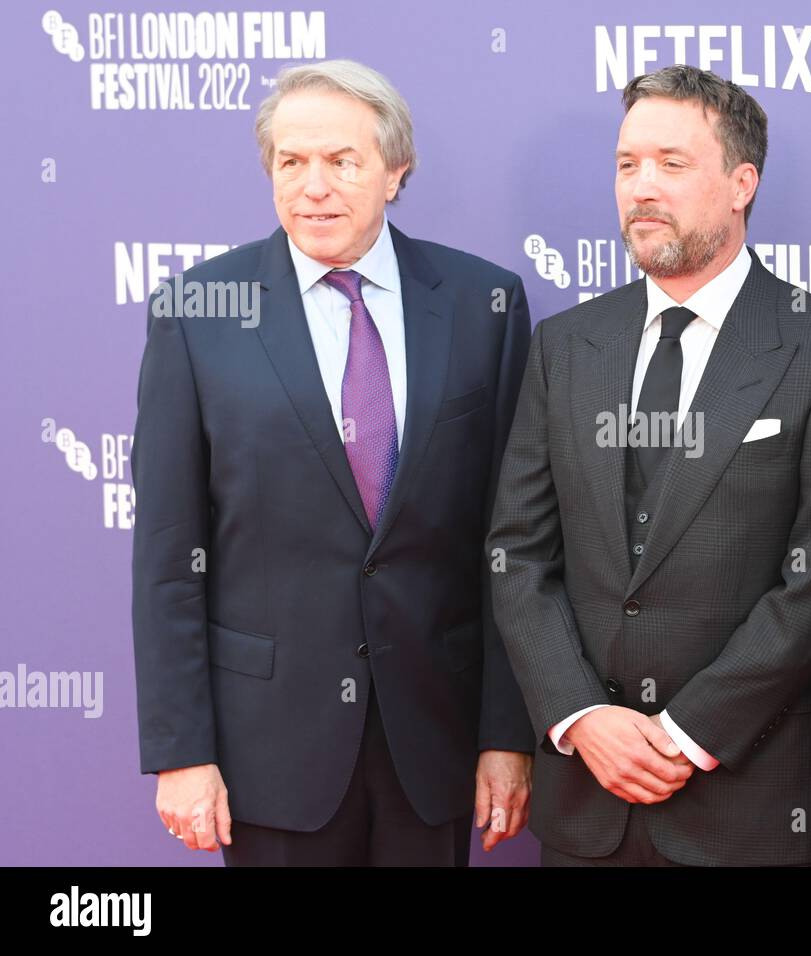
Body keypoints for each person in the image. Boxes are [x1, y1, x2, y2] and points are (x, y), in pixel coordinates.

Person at [131, 59, 534, 865]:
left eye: (342, 161)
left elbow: (513, 543)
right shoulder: (199, 312)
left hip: (435, 744)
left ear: (395, 171)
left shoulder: (482, 305)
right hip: (268, 753)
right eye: (291, 162)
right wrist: (181, 750)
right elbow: (169, 555)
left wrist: (506, 733)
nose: (313, 186)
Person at [487, 64, 811, 866]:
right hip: (586, 805)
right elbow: (519, 554)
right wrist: (579, 717)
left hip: (751, 804)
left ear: (742, 183)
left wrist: (684, 732)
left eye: (672, 164)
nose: (641, 188)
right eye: (627, 164)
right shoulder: (567, 346)